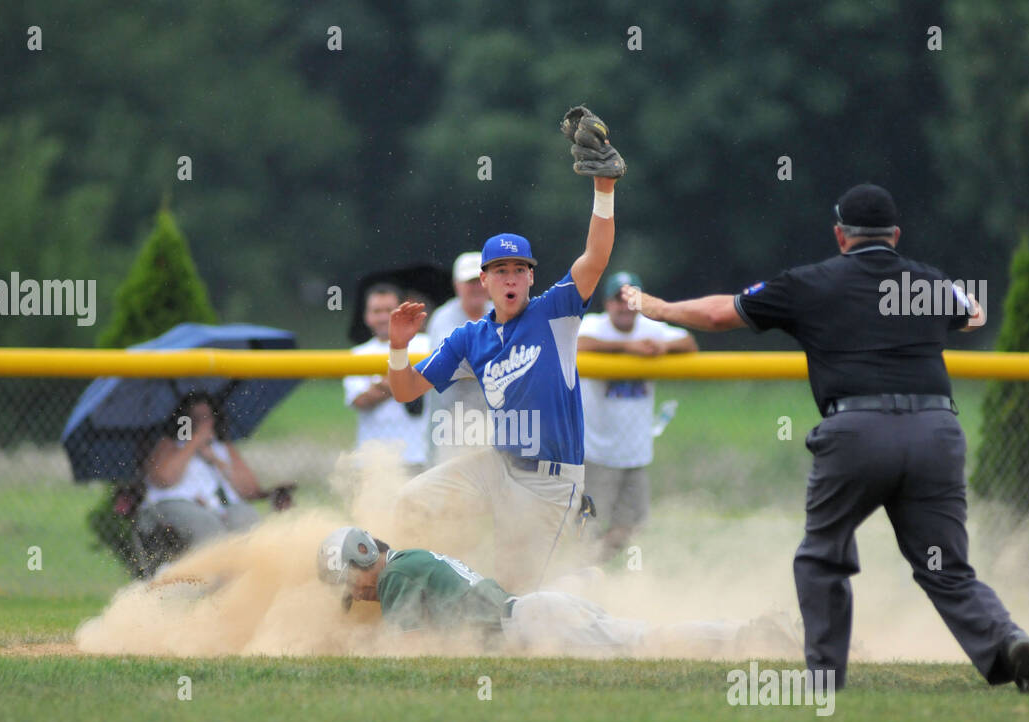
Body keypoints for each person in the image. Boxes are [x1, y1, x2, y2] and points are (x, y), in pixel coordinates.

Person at [622, 183, 1029, 693]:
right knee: (947, 568)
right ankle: (1008, 641)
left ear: (839, 235)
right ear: (895, 235)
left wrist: (658, 307)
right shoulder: (926, 283)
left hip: (857, 432)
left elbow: (721, 315)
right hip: (935, 431)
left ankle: (826, 678)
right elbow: (973, 314)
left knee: (822, 557)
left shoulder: (810, 282)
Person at [384, 106, 625, 593]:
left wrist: (604, 189)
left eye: (519, 270)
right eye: (500, 271)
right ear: (485, 281)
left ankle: (583, 580)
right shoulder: (470, 336)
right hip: (497, 466)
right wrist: (396, 346)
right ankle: (427, 590)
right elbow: (404, 389)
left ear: (531, 277)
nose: (510, 278)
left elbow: (596, 257)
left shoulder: (554, 313)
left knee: (518, 597)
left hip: (550, 481)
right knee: (411, 502)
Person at [316, 526, 796, 657]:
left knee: (645, 644)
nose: (356, 595)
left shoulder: (398, 574)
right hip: (533, 614)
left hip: (532, 621)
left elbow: (406, 648)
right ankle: (746, 633)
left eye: (350, 584)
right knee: (641, 640)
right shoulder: (414, 560)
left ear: (362, 554)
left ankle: (748, 634)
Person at [578, 269, 697, 560]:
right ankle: (576, 575)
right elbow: (576, 344)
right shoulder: (594, 326)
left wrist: (664, 347)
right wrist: (627, 348)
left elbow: (689, 343)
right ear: (607, 304)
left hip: (635, 452)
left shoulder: (651, 329)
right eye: (618, 299)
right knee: (583, 528)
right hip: (595, 452)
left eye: (631, 299)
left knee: (630, 527)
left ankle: (595, 568)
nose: (624, 306)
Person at [139, 392, 261, 550]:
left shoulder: (222, 447)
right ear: (184, 420)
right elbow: (165, 479)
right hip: (175, 504)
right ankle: (211, 573)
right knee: (208, 528)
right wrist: (194, 441)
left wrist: (215, 459)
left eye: (206, 417)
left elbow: (250, 490)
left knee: (247, 519)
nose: (201, 423)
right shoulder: (170, 444)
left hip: (217, 506)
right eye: (195, 417)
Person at [343, 283, 430, 471]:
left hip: (419, 454)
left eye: (389, 310)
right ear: (366, 316)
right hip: (373, 458)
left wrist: (380, 384)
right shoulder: (358, 354)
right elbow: (359, 400)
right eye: (376, 311)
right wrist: (404, 380)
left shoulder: (426, 346)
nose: (383, 317)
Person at [423, 251, 492, 465]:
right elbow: (453, 362)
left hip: (493, 424)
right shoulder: (445, 318)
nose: (476, 287)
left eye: (480, 281)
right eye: (470, 282)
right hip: (450, 422)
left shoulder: (502, 312)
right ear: (457, 285)